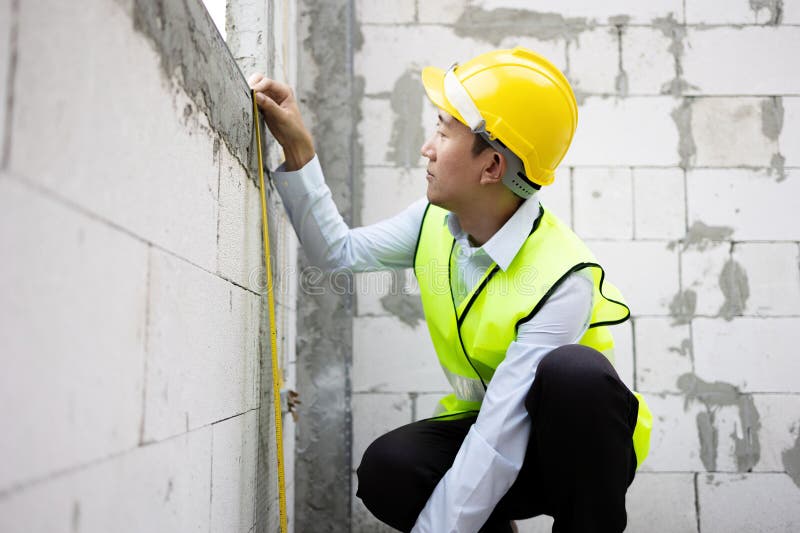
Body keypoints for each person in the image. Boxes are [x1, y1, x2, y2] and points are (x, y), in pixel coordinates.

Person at [249, 46, 652, 533]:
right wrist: (298, 150)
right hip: (494, 429)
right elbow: (340, 252)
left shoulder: (563, 276)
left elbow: (501, 436)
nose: (427, 147)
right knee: (390, 469)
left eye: (443, 130)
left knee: (577, 373)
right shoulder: (434, 222)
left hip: (574, 455)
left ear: (492, 167)